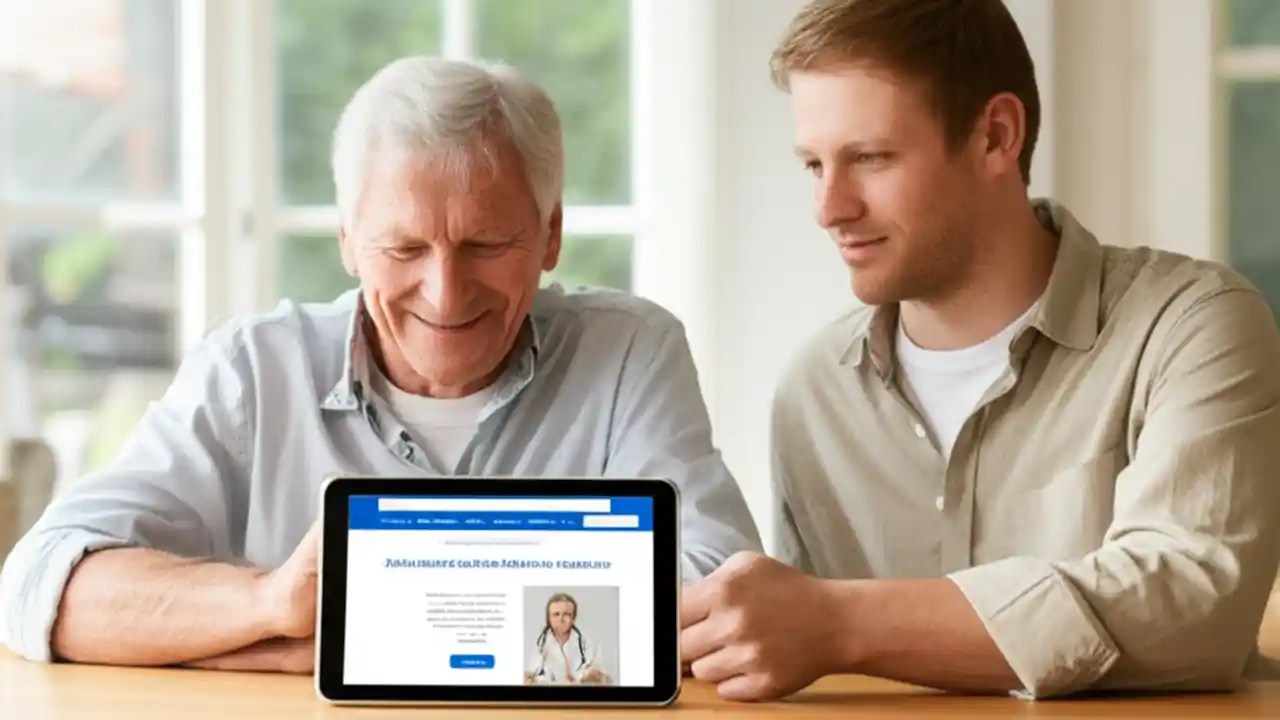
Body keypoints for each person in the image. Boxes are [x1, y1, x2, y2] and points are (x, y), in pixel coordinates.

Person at [0, 57, 761, 673]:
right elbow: (40, 585)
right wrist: (269, 606)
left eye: (487, 245)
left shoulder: (629, 351)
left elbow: (719, 597)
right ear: (347, 240)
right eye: (403, 248)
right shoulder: (252, 368)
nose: (445, 290)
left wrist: (367, 628)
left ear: (551, 235)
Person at [680, 0, 1280, 702]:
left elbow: (1191, 605)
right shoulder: (814, 393)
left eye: (870, 158)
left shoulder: (1189, 326)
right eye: (814, 164)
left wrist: (838, 620)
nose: (828, 208)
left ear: (996, 136)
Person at [524, 592, 609, 685]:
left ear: (573, 618)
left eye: (566, 614)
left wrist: (591, 676)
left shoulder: (586, 641)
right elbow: (533, 674)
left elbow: (600, 675)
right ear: (549, 618)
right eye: (556, 614)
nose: (561, 619)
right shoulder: (542, 643)